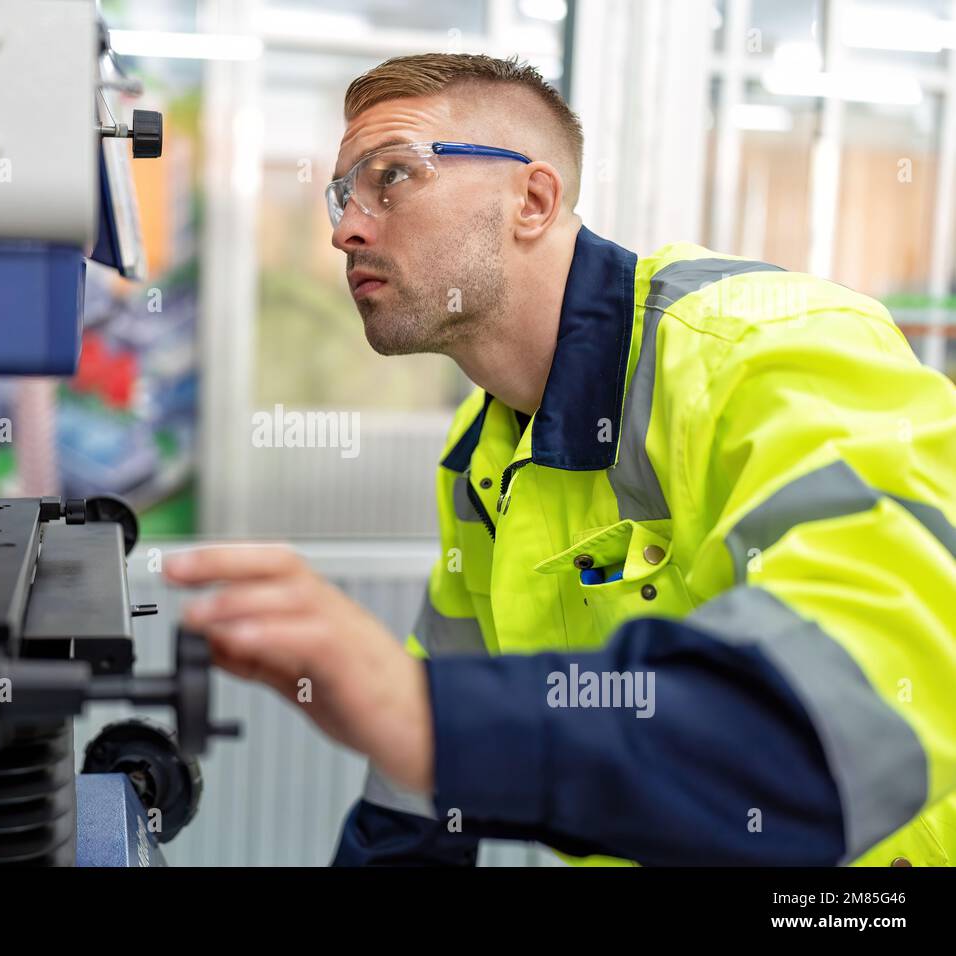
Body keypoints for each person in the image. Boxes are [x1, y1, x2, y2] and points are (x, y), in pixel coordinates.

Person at [164, 53, 956, 866]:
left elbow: (839, 718)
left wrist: (429, 719)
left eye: (392, 178)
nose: (346, 229)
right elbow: (419, 800)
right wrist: (423, 731)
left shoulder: (771, 348)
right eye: (344, 195)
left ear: (533, 201)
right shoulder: (482, 455)